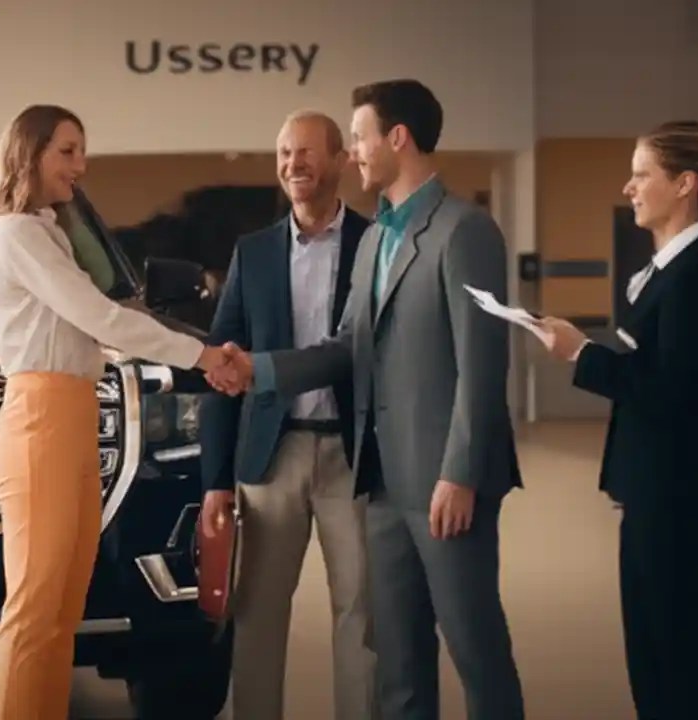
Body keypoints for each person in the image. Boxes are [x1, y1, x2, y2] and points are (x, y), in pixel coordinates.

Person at [208, 79, 525, 720]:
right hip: (380, 487)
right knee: (398, 664)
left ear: (397, 139)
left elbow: (484, 369)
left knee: (474, 649)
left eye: (357, 138)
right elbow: (345, 347)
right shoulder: (378, 240)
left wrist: (460, 472)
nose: (354, 153)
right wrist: (257, 371)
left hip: (443, 484)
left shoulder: (465, 231)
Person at [0, 104, 231, 720]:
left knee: (61, 612)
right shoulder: (15, 234)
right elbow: (101, 317)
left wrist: (187, 350)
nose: (80, 166)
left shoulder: (48, 233)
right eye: (67, 151)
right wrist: (205, 355)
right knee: (35, 613)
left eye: (80, 151)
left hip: (71, 419)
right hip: (40, 424)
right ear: (29, 152)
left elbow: (99, 333)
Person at [538, 120, 698, 720]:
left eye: (641, 173)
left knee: (680, 664)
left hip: (680, 493)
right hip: (660, 489)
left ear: (684, 184)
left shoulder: (697, 273)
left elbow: (669, 390)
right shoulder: (672, 269)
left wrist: (582, 353)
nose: (628, 186)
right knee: (653, 658)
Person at [198, 109, 377, 719]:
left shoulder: (374, 243)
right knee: (258, 617)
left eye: (305, 152)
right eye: (282, 153)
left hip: (356, 458)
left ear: (340, 160)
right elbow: (221, 368)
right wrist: (217, 479)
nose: (292, 164)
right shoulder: (254, 253)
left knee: (361, 617)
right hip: (271, 458)